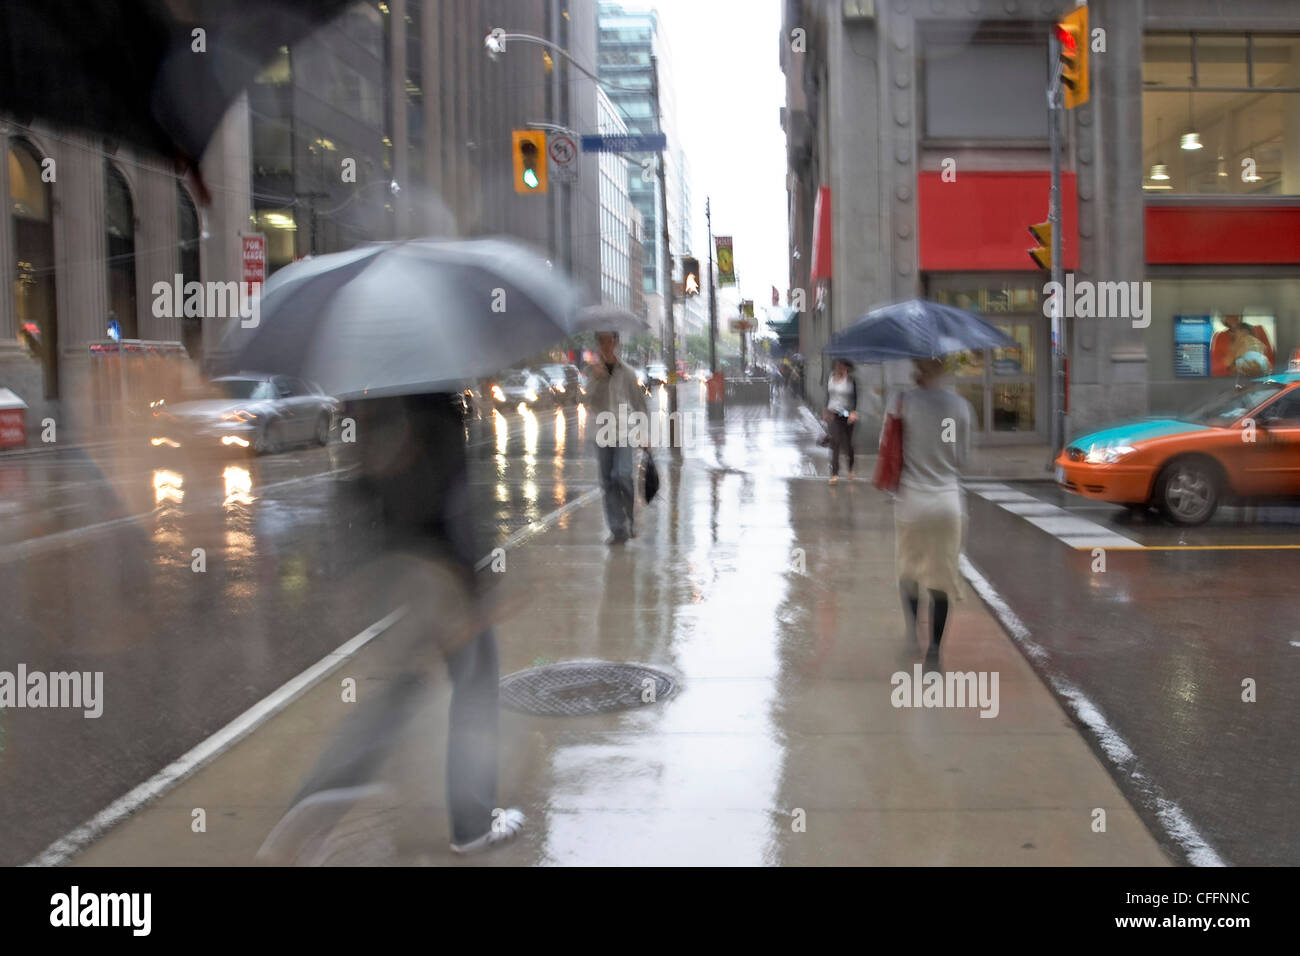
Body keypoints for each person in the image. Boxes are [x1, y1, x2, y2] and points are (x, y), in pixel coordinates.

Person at [259, 392, 523, 862]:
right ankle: (473, 824)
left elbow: (354, 482)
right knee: (477, 683)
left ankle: (316, 802)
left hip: (391, 560)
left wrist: (349, 569)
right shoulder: (433, 396)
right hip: (440, 569)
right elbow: (453, 493)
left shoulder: (369, 395)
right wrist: (477, 585)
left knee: (398, 694)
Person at [888, 357, 973, 673]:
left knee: (909, 572)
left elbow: (891, 449)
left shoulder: (901, 403)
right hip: (947, 505)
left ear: (917, 370)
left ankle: (913, 635)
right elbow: (962, 459)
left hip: (911, 502)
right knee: (941, 579)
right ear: (945, 370)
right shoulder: (961, 407)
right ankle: (934, 653)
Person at [586, 331, 648, 545]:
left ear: (616, 343)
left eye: (609, 341)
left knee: (622, 475)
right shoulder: (593, 373)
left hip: (623, 432)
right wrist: (597, 379)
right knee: (607, 481)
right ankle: (617, 529)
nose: (606, 345)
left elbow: (639, 403)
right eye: (601, 341)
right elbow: (587, 401)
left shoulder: (628, 372)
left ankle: (630, 519)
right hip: (601, 434)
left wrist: (644, 433)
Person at [823, 358, 859, 482]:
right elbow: (828, 395)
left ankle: (850, 469)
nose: (840, 368)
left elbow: (855, 397)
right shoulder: (830, 378)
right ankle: (834, 473)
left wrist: (853, 412)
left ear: (847, 367)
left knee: (848, 444)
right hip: (834, 413)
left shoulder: (850, 380)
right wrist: (826, 409)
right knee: (835, 441)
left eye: (842, 366)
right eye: (838, 366)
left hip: (847, 414)